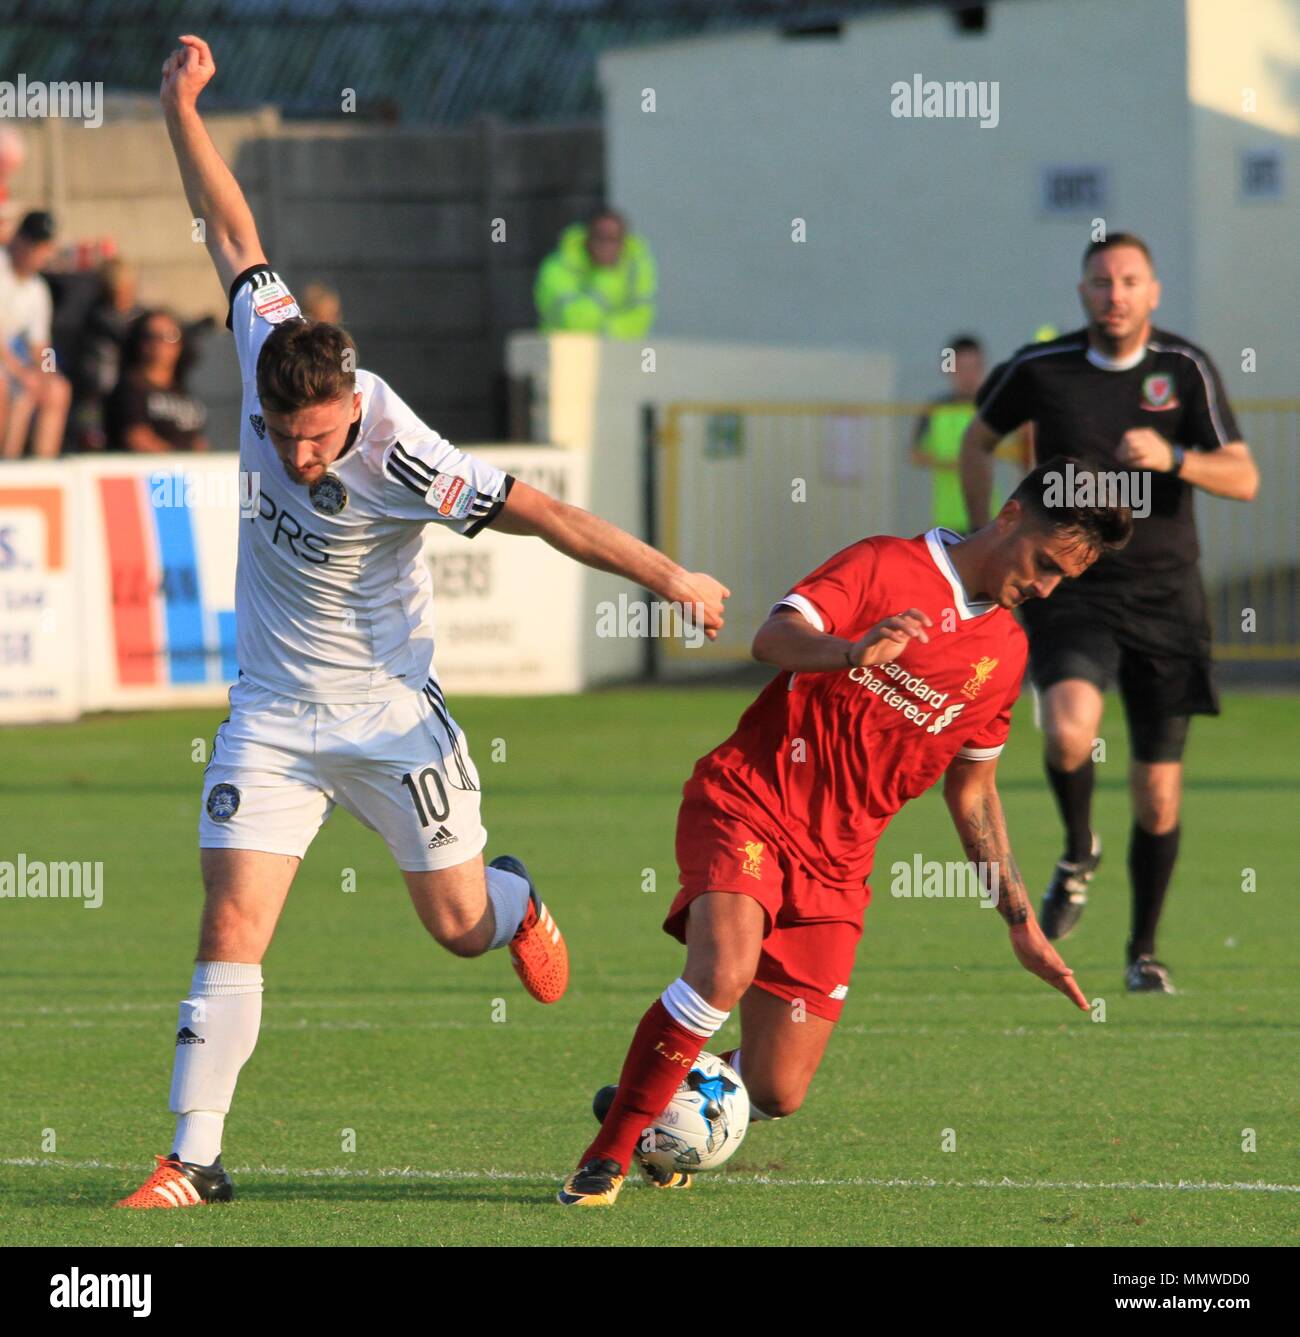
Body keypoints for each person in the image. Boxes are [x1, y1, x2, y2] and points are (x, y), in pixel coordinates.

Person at [114, 34, 728, 1211]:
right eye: (280, 437)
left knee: (456, 925)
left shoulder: (407, 454)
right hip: (271, 715)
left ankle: (517, 899)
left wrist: (671, 576)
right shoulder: (268, 343)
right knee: (231, 914)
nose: (297, 456)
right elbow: (232, 231)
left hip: (392, 719)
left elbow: (544, 512)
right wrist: (182, 107)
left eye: (315, 438)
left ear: (351, 404)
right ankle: (194, 1155)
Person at [558, 459, 1132, 1206]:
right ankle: (604, 1157)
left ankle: (655, 1093)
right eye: (1046, 564)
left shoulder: (1007, 654)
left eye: (1065, 579)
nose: (1047, 587)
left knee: (778, 1088)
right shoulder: (885, 563)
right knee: (723, 971)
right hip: (751, 801)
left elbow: (974, 792)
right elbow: (774, 636)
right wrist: (851, 651)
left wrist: (1020, 923)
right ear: (1011, 515)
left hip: (838, 866)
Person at [959, 233, 1258, 993]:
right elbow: (976, 441)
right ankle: (1077, 848)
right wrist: (983, 539)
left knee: (1158, 794)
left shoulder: (1184, 368)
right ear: (1082, 291)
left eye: (1129, 280)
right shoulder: (1042, 367)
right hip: (1075, 590)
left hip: (1166, 596)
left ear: (1153, 291)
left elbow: (1245, 476)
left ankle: (1142, 951)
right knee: (1067, 733)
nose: (1114, 294)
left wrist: (1175, 458)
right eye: (1101, 280)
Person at [0, 210, 71, 459]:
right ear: (19, 240)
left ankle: (42, 467)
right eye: (35, 245)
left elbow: (41, 345)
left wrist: (47, 373)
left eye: (44, 246)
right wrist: (21, 372)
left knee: (56, 390)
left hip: (8, 362)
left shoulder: (37, 289)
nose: (40, 253)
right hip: (5, 363)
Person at [534, 208, 657, 338]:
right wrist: (605, 275)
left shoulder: (636, 266)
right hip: (561, 346)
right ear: (587, 238)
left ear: (624, 242)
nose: (606, 245)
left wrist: (606, 332)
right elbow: (574, 321)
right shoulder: (559, 266)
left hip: (616, 347)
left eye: (613, 239)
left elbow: (641, 319)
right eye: (600, 237)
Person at [910, 335, 986, 533]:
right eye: (963, 368)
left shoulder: (990, 408)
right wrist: (950, 463)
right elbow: (915, 454)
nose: (969, 376)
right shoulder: (936, 408)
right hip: (947, 517)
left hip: (987, 515)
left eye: (975, 368)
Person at [105, 308, 209, 452]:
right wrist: (177, 460)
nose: (159, 344)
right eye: (150, 336)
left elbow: (197, 439)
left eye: (170, 336)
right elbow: (137, 438)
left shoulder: (183, 392)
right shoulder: (130, 388)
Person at [72, 258, 144, 450]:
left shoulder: (140, 318)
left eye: (128, 290)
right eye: (117, 291)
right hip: (97, 393)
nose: (124, 298)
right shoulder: (94, 318)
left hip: (131, 394)